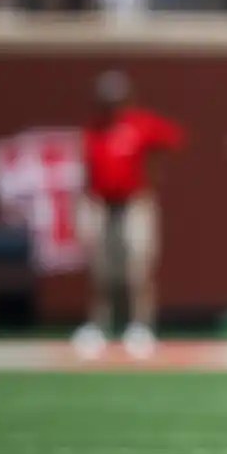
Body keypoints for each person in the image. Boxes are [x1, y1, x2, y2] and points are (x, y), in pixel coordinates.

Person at [73, 70, 183, 360]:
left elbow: (172, 140)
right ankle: (100, 325)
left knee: (138, 267)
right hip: (101, 203)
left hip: (135, 202)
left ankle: (140, 326)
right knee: (101, 270)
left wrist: (154, 172)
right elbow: (87, 169)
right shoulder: (93, 130)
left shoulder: (140, 125)